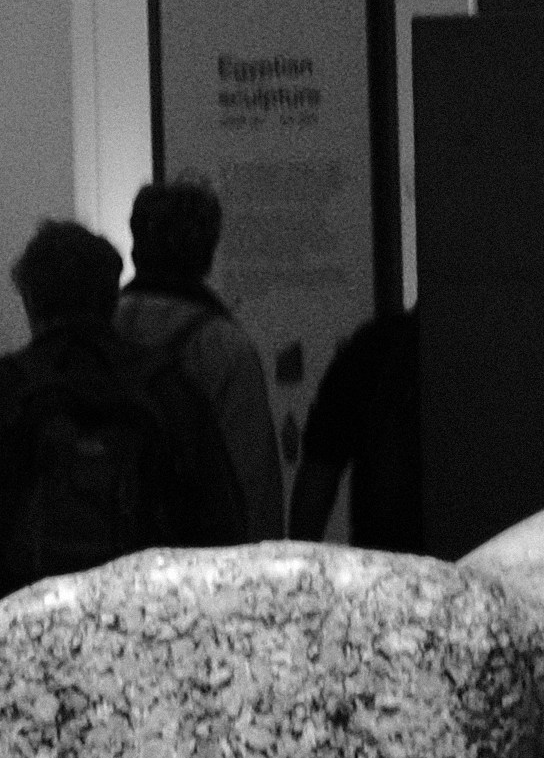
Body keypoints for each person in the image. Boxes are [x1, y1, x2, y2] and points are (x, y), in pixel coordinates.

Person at [0, 217, 235, 595]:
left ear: (30, 299)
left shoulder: (3, 391)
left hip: (30, 609)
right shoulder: (166, 389)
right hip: (146, 608)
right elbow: (221, 523)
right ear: (111, 296)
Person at [120, 176, 285, 542]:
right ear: (208, 251)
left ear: (136, 246)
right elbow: (253, 484)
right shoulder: (225, 347)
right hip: (194, 551)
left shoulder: (101, 328)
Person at [291, 301, 425, 552]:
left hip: (386, 554)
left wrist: (299, 561)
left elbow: (319, 472)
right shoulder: (377, 349)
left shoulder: (377, 347)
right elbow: (320, 468)